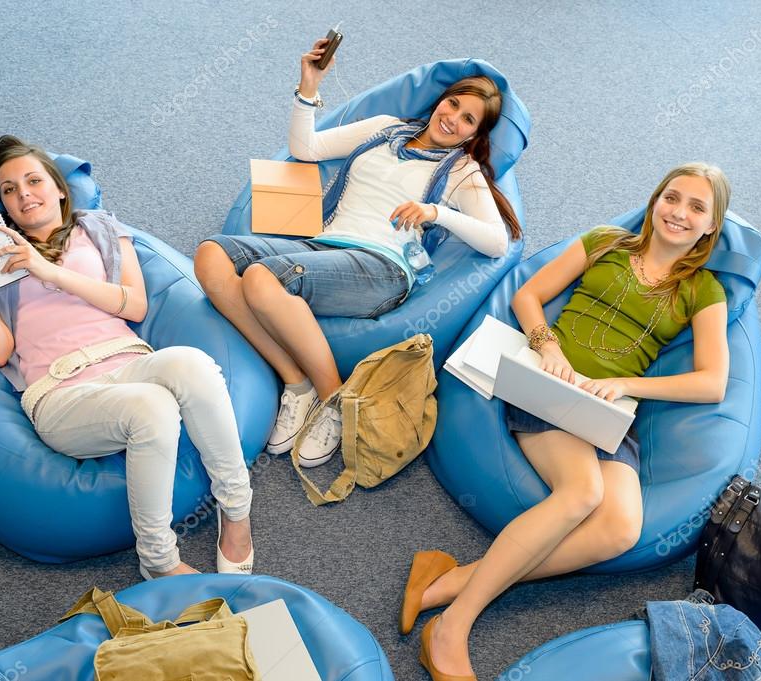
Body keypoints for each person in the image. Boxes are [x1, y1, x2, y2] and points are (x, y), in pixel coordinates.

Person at [402, 162, 732, 681]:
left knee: (622, 529)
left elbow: (712, 381)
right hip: (549, 393)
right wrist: (547, 345)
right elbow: (526, 296)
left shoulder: (704, 289)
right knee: (581, 495)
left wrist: (626, 386)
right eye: (673, 197)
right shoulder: (605, 242)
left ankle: (452, 581)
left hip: (611, 413)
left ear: (712, 225)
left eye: (697, 208)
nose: (679, 213)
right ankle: (451, 625)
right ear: (655, 200)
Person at [194, 39, 522, 469]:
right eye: (453, 104)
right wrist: (307, 87)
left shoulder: (462, 170)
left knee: (261, 277)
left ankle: (335, 402)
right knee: (210, 255)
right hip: (323, 246)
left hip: (382, 267)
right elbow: (305, 148)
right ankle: (296, 381)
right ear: (440, 99)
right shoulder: (385, 128)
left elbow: (498, 241)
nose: (453, 120)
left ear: (475, 135)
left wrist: (436, 212)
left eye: (468, 120)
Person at [0, 134, 255, 581]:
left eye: (33, 180)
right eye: (8, 189)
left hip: (128, 359)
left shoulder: (98, 228)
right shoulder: (0, 255)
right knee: (152, 406)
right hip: (62, 389)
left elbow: (134, 305)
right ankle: (158, 560)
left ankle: (236, 512)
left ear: (59, 188)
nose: (23, 194)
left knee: (194, 364)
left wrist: (48, 271)